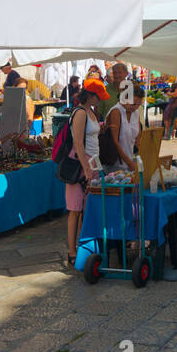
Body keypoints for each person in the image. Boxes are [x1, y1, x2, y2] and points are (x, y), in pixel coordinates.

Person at [64, 79, 107, 268]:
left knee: (87, 208)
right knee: (75, 208)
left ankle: (84, 246)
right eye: (99, 96)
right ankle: (72, 251)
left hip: (93, 162)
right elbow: (78, 143)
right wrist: (87, 169)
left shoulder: (91, 111)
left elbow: (90, 137)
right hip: (81, 164)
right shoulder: (80, 112)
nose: (100, 100)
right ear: (90, 95)